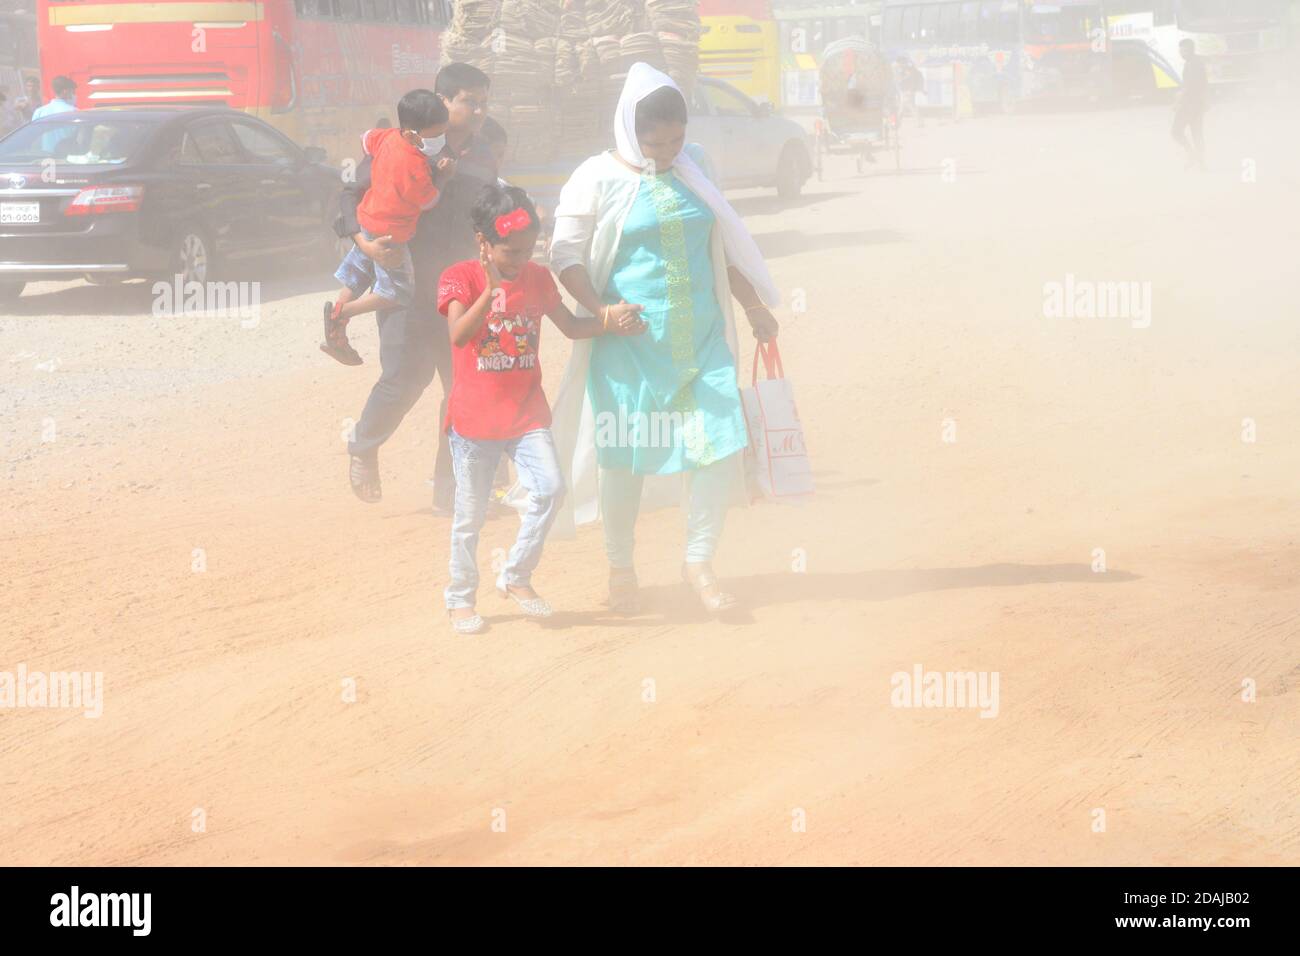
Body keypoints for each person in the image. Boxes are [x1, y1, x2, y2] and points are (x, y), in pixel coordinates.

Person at [547, 62, 781, 616]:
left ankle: (698, 561)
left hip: (701, 340)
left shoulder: (696, 166)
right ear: (630, 130)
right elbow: (565, 256)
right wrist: (603, 311)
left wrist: (752, 306)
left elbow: (722, 239)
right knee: (623, 455)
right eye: (655, 142)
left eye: (677, 138)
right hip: (627, 348)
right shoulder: (595, 177)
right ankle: (620, 566)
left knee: (717, 445)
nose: (668, 150)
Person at [437, 185, 645, 634]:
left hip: (526, 414)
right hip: (474, 422)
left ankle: (515, 575)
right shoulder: (459, 277)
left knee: (551, 489)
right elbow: (457, 336)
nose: (518, 260)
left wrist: (611, 323)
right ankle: (459, 597)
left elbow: (569, 327)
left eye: (528, 250)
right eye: (509, 251)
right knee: (469, 518)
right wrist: (490, 290)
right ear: (483, 243)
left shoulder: (537, 279)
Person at [335, 62, 496, 509]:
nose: (479, 110)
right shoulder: (405, 143)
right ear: (443, 101)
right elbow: (350, 196)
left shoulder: (485, 152)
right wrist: (364, 245)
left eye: (484, 102)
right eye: (469, 100)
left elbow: (488, 209)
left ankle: (451, 490)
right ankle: (365, 445)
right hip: (404, 284)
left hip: (462, 288)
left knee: (462, 389)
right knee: (404, 380)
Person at [322, 89, 454, 365]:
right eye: (435, 135)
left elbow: (365, 139)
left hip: (367, 219)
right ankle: (343, 313)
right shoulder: (415, 167)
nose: (440, 140)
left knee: (358, 275)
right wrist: (442, 177)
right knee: (397, 292)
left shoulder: (387, 137)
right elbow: (429, 201)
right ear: (413, 134)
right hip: (391, 234)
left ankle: (335, 330)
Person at [1171, 39, 1207, 171]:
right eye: (1180, 50)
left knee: (1176, 132)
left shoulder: (1192, 64)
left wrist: (1177, 101)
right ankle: (1202, 163)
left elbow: (1189, 86)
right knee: (1197, 134)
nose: (1181, 53)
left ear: (1190, 50)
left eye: (1183, 50)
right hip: (1198, 104)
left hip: (1189, 105)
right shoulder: (1196, 62)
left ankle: (1192, 154)